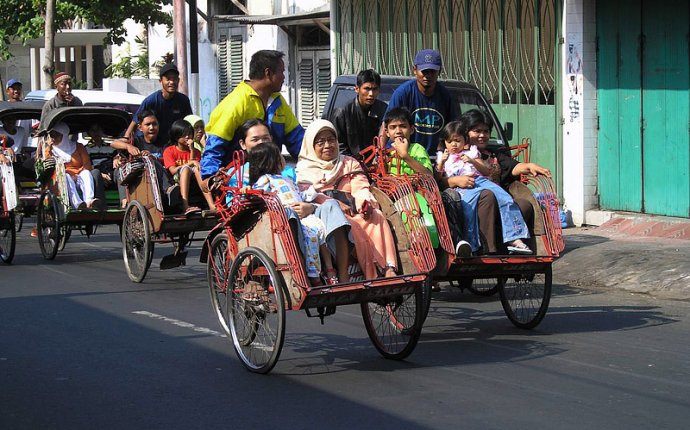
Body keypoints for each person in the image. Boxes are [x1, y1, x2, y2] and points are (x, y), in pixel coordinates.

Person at [296, 119, 397, 279]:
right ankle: (370, 273)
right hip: (328, 216)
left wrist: (364, 203)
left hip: (354, 210)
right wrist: (336, 204)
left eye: (331, 140)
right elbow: (309, 197)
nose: (328, 145)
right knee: (346, 223)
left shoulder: (349, 163)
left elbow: (360, 187)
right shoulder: (304, 169)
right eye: (321, 142)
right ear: (311, 145)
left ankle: (388, 267)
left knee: (376, 216)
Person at [201, 50, 304, 180]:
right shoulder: (235, 103)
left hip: (275, 178)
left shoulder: (278, 101)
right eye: (281, 72)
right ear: (268, 73)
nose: (284, 77)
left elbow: (297, 140)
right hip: (240, 182)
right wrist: (209, 177)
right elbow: (215, 146)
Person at [247, 143, 338, 286]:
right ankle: (313, 275)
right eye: (280, 156)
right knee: (311, 236)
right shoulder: (265, 179)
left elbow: (301, 195)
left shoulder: (287, 179)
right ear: (273, 160)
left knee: (322, 232)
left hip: (303, 217)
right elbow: (259, 196)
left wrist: (315, 188)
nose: (283, 159)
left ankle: (329, 268)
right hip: (285, 219)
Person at [438, 120, 531, 254]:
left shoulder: (472, 152)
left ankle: (514, 238)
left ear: (465, 141)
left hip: (479, 180)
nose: (454, 144)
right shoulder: (443, 157)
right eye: (450, 141)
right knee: (468, 209)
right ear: (445, 142)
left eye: (458, 140)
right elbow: (439, 177)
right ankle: (472, 245)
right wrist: (442, 162)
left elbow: (486, 171)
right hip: (461, 187)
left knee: (505, 198)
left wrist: (472, 161)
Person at [381, 49, 459, 153]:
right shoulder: (403, 93)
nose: (428, 75)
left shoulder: (445, 96)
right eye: (424, 71)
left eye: (432, 71)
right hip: (403, 156)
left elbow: (455, 128)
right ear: (415, 70)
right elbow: (386, 124)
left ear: (439, 71)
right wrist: (380, 153)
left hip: (434, 159)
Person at [112, 110, 174, 209]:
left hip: (157, 177)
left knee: (153, 161)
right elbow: (114, 143)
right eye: (148, 124)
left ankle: (168, 190)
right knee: (120, 169)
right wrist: (128, 147)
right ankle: (125, 201)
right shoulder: (136, 141)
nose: (152, 127)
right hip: (139, 179)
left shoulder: (165, 142)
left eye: (154, 124)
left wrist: (154, 158)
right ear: (140, 127)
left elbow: (169, 160)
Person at [124, 63, 193, 148]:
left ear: (178, 80)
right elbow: (135, 122)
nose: (171, 82)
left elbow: (189, 123)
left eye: (174, 79)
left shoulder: (183, 100)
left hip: (173, 145)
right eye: (168, 79)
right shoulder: (151, 101)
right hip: (152, 145)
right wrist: (126, 142)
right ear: (160, 81)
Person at [42, 122, 101, 210]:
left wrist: (77, 175)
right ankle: (78, 204)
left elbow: (87, 165)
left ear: (64, 136)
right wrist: (49, 150)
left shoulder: (78, 147)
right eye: (51, 135)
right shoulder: (50, 150)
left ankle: (89, 201)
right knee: (65, 176)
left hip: (79, 177)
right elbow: (48, 167)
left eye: (56, 135)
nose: (53, 138)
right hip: (61, 179)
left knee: (86, 173)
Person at [329, 69, 387, 157]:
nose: (371, 94)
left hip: (378, 165)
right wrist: (353, 163)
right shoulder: (342, 112)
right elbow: (338, 146)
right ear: (357, 89)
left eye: (374, 89)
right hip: (349, 165)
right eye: (367, 89)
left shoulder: (384, 110)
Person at [163, 119, 215, 215]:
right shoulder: (169, 151)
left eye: (189, 133)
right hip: (177, 179)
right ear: (176, 136)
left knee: (196, 168)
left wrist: (192, 150)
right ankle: (185, 205)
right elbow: (173, 170)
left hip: (195, 180)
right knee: (187, 169)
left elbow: (196, 166)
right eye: (183, 134)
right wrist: (189, 164)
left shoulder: (196, 151)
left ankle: (211, 204)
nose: (187, 137)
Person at [382, 107, 433, 176]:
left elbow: (429, 176)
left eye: (403, 126)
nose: (398, 131)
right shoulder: (386, 153)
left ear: (411, 129)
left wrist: (405, 156)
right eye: (393, 127)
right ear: (387, 132)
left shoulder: (417, 149)